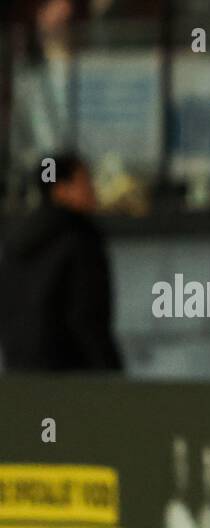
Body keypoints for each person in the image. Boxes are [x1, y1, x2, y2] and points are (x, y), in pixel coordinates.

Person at [0, 153, 122, 372]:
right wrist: (111, 373)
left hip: (19, 373)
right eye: (85, 181)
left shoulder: (15, 242)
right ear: (61, 189)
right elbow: (87, 318)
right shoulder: (80, 239)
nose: (93, 189)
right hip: (72, 378)